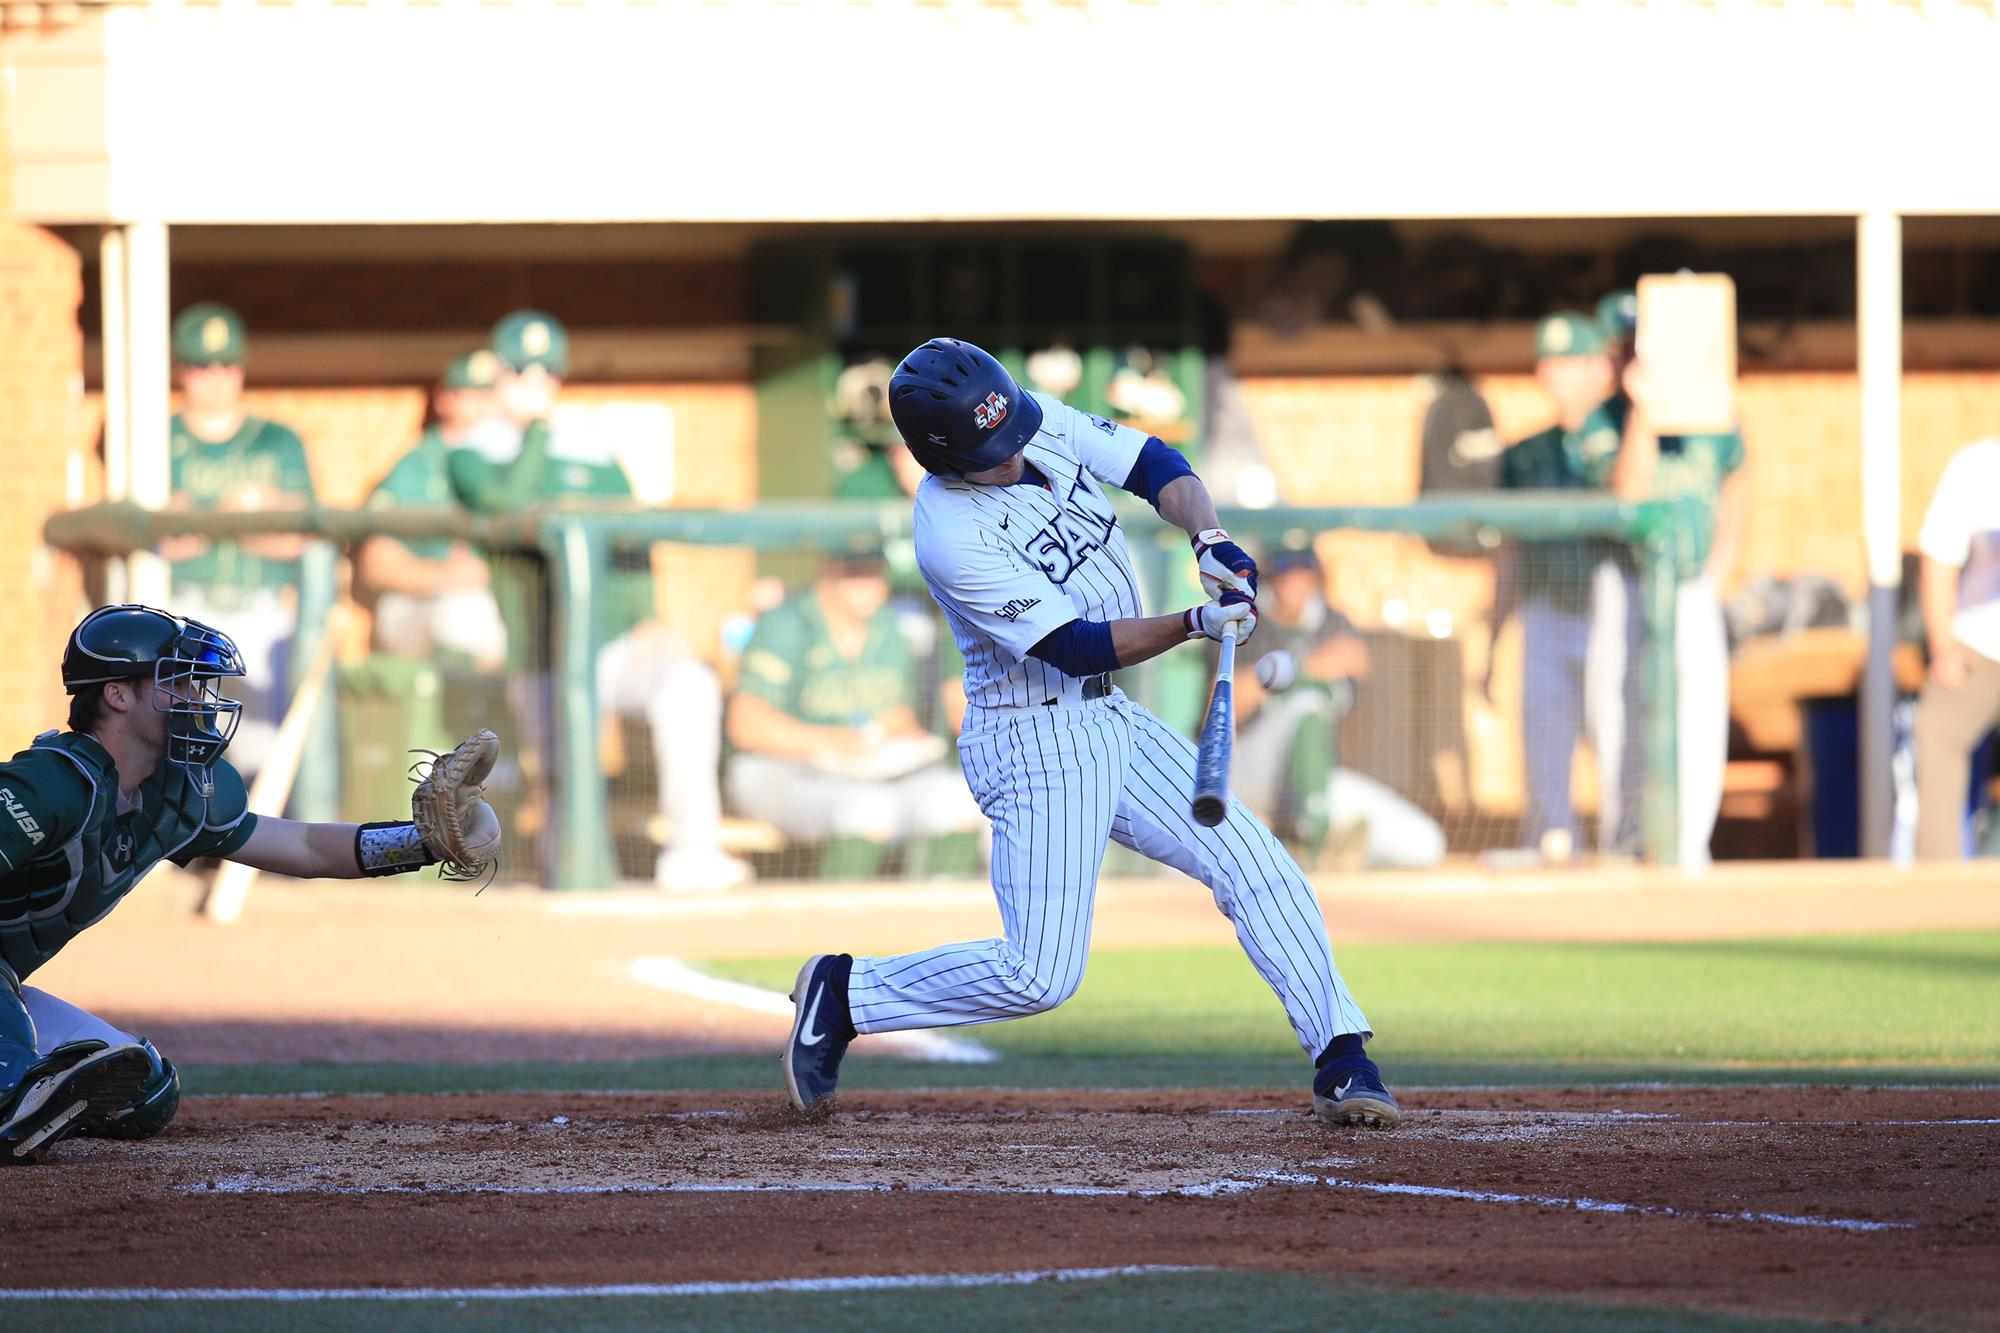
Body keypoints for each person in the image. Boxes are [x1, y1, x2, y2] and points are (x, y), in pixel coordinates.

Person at [781, 337, 1399, 1129]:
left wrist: (1206, 536)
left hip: (1108, 718)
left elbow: (1151, 462)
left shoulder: (1025, 421)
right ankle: (848, 991)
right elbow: (1073, 646)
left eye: (1011, 433)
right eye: (989, 451)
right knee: (1039, 973)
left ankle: (1342, 1054)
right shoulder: (948, 533)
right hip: (1034, 739)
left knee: (1253, 860)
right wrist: (1194, 621)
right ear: (941, 457)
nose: (1012, 453)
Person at [0, 605, 499, 1163]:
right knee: (11, 1098)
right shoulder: (55, 782)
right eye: (178, 680)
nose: (198, 696)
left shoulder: (176, 792)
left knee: (143, 1095)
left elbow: (302, 846)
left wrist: (423, 843)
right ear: (117, 695)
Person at [448, 310, 748, 892]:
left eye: (547, 374)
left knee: (689, 685)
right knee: (563, 776)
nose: (536, 384)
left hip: (613, 640)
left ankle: (693, 854)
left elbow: (631, 540)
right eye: (520, 372)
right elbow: (503, 506)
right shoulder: (473, 450)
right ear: (498, 377)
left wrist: (650, 618)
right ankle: (571, 882)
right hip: (542, 649)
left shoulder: (590, 445)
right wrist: (534, 430)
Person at [1601, 291, 1749, 870]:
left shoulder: (1719, 413)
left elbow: (1741, 478)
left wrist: (1725, 558)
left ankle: (1688, 850)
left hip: (1691, 586)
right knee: (1624, 721)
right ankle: (1629, 845)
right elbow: (1627, 495)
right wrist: (1643, 409)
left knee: (1700, 718)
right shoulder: (1608, 416)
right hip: (1631, 586)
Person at [725, 547, 984, 877]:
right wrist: (835, 741)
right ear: (830, 567)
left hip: (865, 773)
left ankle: (937, 922)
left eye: (875, 571)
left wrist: (899, 736)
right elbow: (746, 725)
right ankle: (833, 925)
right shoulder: (788, 620)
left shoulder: (887, 625)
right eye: (856, 571)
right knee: (867, 810)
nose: (869, 583)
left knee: (957, 800)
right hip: (779, 771)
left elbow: (895, 713)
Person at [162, 302, 317, 779]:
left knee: (258, 750)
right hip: (181, 609)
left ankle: (249, 854)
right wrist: (240, 516)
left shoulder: (277, 439)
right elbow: (168, 542)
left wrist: (203, 521)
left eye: (226, 364)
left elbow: (299, 537)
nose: (216, 376)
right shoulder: (157, 439)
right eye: (202, 365)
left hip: (261, 608)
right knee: (175, 741)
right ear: (182, 370)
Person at [1496, 312, 1629, 861]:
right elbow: (1508, 552)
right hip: (1546, 607)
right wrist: (1495, 631)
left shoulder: (1628, 434)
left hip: (1615, 608)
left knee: (1619, 740)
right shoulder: (1526, 452)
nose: (1555, 374)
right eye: (1548, 362)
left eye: (1569, 361)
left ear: (1600, 367)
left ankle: (1630, 846)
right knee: (1545, 741)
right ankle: (1552, 840)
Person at [1233, 547, 1446, 871]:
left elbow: (1356, 661)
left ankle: (1322, 844)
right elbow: (1224, 706)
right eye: (1284, 568)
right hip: (1246, 774)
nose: (1294, 578)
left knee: (1424, 843)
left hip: (1311, 783)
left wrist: (1280, 675)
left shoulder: (1331, 620)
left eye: (1303, 568)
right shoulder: (1246, 621)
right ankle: (1307, 841)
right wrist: (1308, 668)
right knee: (1306, 705)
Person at [355, 350, 508, 669]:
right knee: (464, 610)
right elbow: (376, 564)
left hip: (503, 619)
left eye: (489, 394)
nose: (483, 406)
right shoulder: (417, 464)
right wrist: (448, 577)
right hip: (417, 608)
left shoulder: (511, 463)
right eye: (470, 394)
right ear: (445, 399)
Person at [1913, 437, 2000, 859]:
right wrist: (1942, 646)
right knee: (1936, 728)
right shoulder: (1976, 465)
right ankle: (1938, 885)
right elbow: (1939, 557)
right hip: (1980, 649)